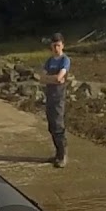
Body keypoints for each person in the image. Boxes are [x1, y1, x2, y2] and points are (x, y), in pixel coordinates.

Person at [42, 33, 71, 168]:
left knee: (58, 125)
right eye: (54, 46)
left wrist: (51, 78)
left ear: (62, 46)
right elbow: (41, 77)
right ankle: (57, 153)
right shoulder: (49, 61)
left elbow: (60, 78)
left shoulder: (65, 60)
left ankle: (63, 155)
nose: (56, 48)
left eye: (58, 45)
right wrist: (53, 79)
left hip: (59, 96)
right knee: (51, 125)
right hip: (49, 95)